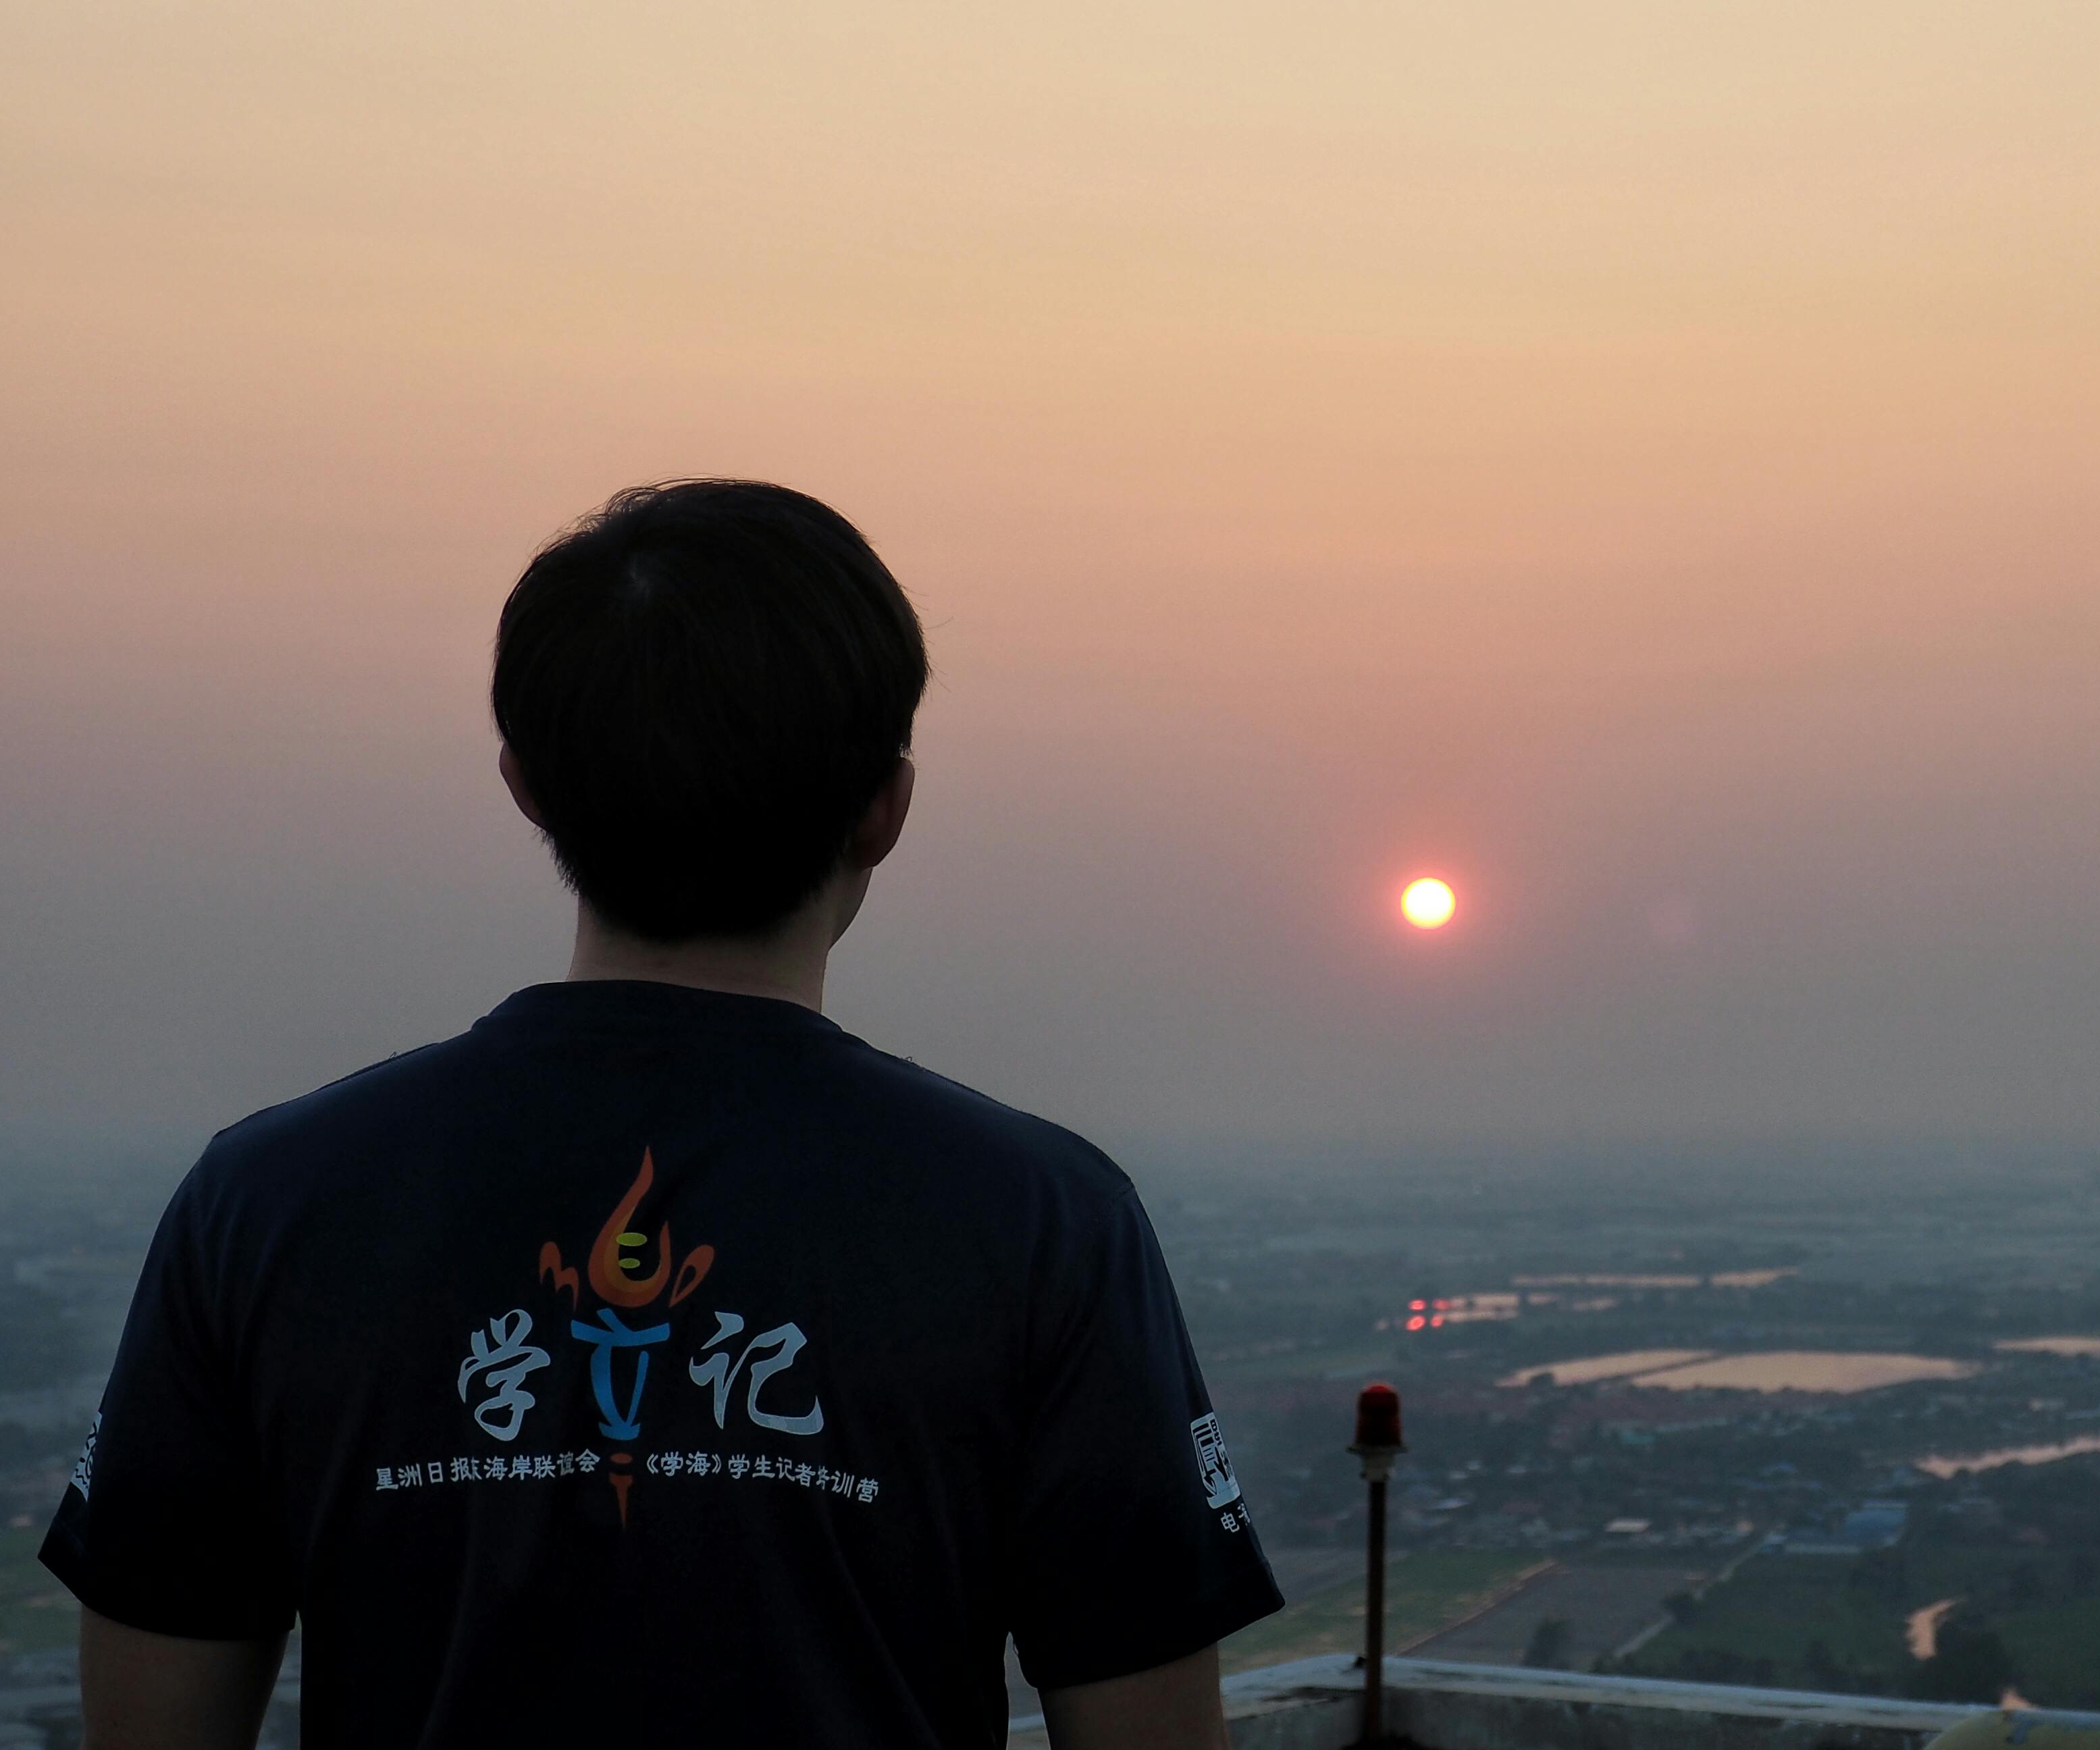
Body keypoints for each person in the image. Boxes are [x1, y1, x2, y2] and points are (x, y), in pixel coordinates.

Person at [42, 481, 1279, 1749]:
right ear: (888, 807)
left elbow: (153, 1727)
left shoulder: (265, 1203)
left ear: (526, 785)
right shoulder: (1041, 1222)